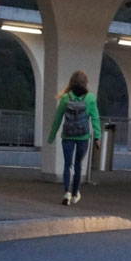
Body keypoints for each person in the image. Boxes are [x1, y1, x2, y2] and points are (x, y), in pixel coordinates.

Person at [46, 71, 102, 205]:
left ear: (71, 82)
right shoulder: (90, 98)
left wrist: (51, 136)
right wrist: (97, 137)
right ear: (85, 83)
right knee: (78, 166)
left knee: (67, 165)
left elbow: (57, 119)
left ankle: (66, 192)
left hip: (68, 136)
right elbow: (95, 119)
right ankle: (75, 194)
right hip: (83, 137)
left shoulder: (66, 98)